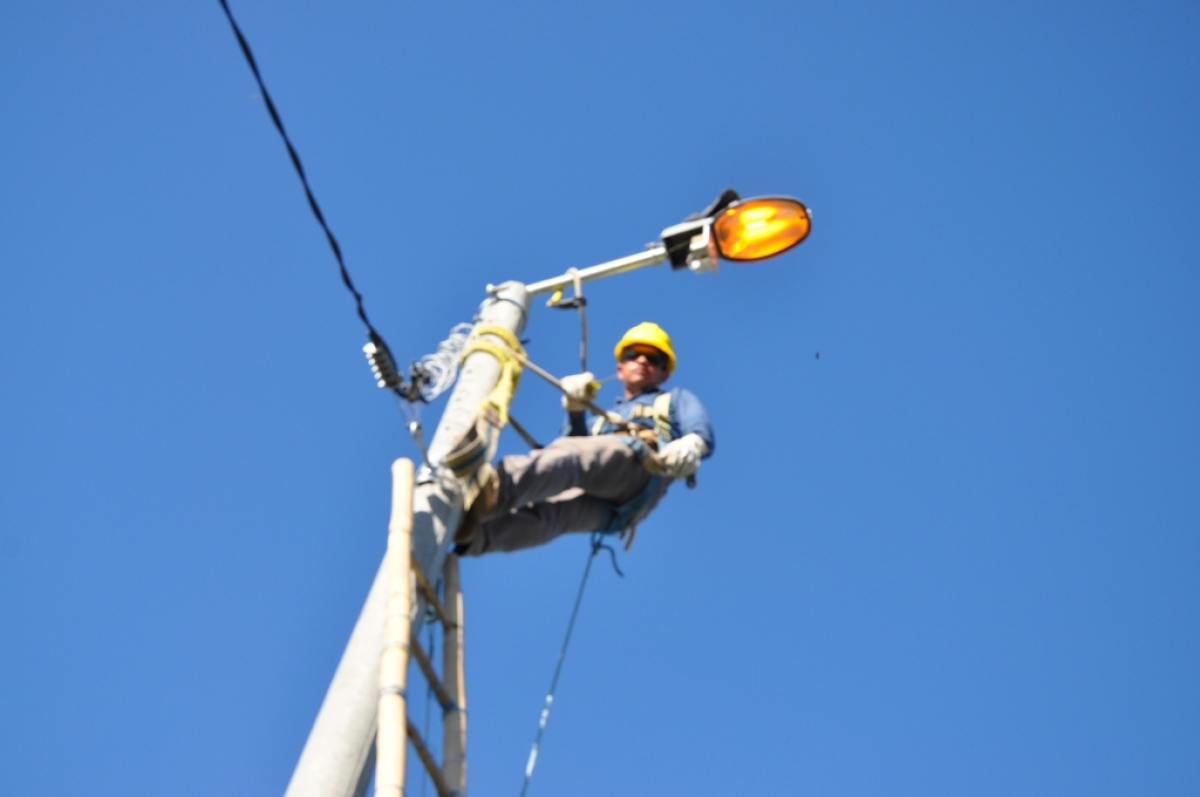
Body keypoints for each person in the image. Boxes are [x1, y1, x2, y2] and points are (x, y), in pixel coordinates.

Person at [453, 322, 715, 556]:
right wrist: (575, 410)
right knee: (554, 514)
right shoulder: (602, 421)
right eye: (633, 355)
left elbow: (700, 431)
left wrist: (692, 445)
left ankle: (493, 489)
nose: (643, 360)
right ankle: (472, 537)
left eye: (654, 358)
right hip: (615, 507)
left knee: (572, 458)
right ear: (620, 368)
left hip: (641, 469)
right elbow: (569, 451)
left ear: (664, 373)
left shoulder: (674, 399)